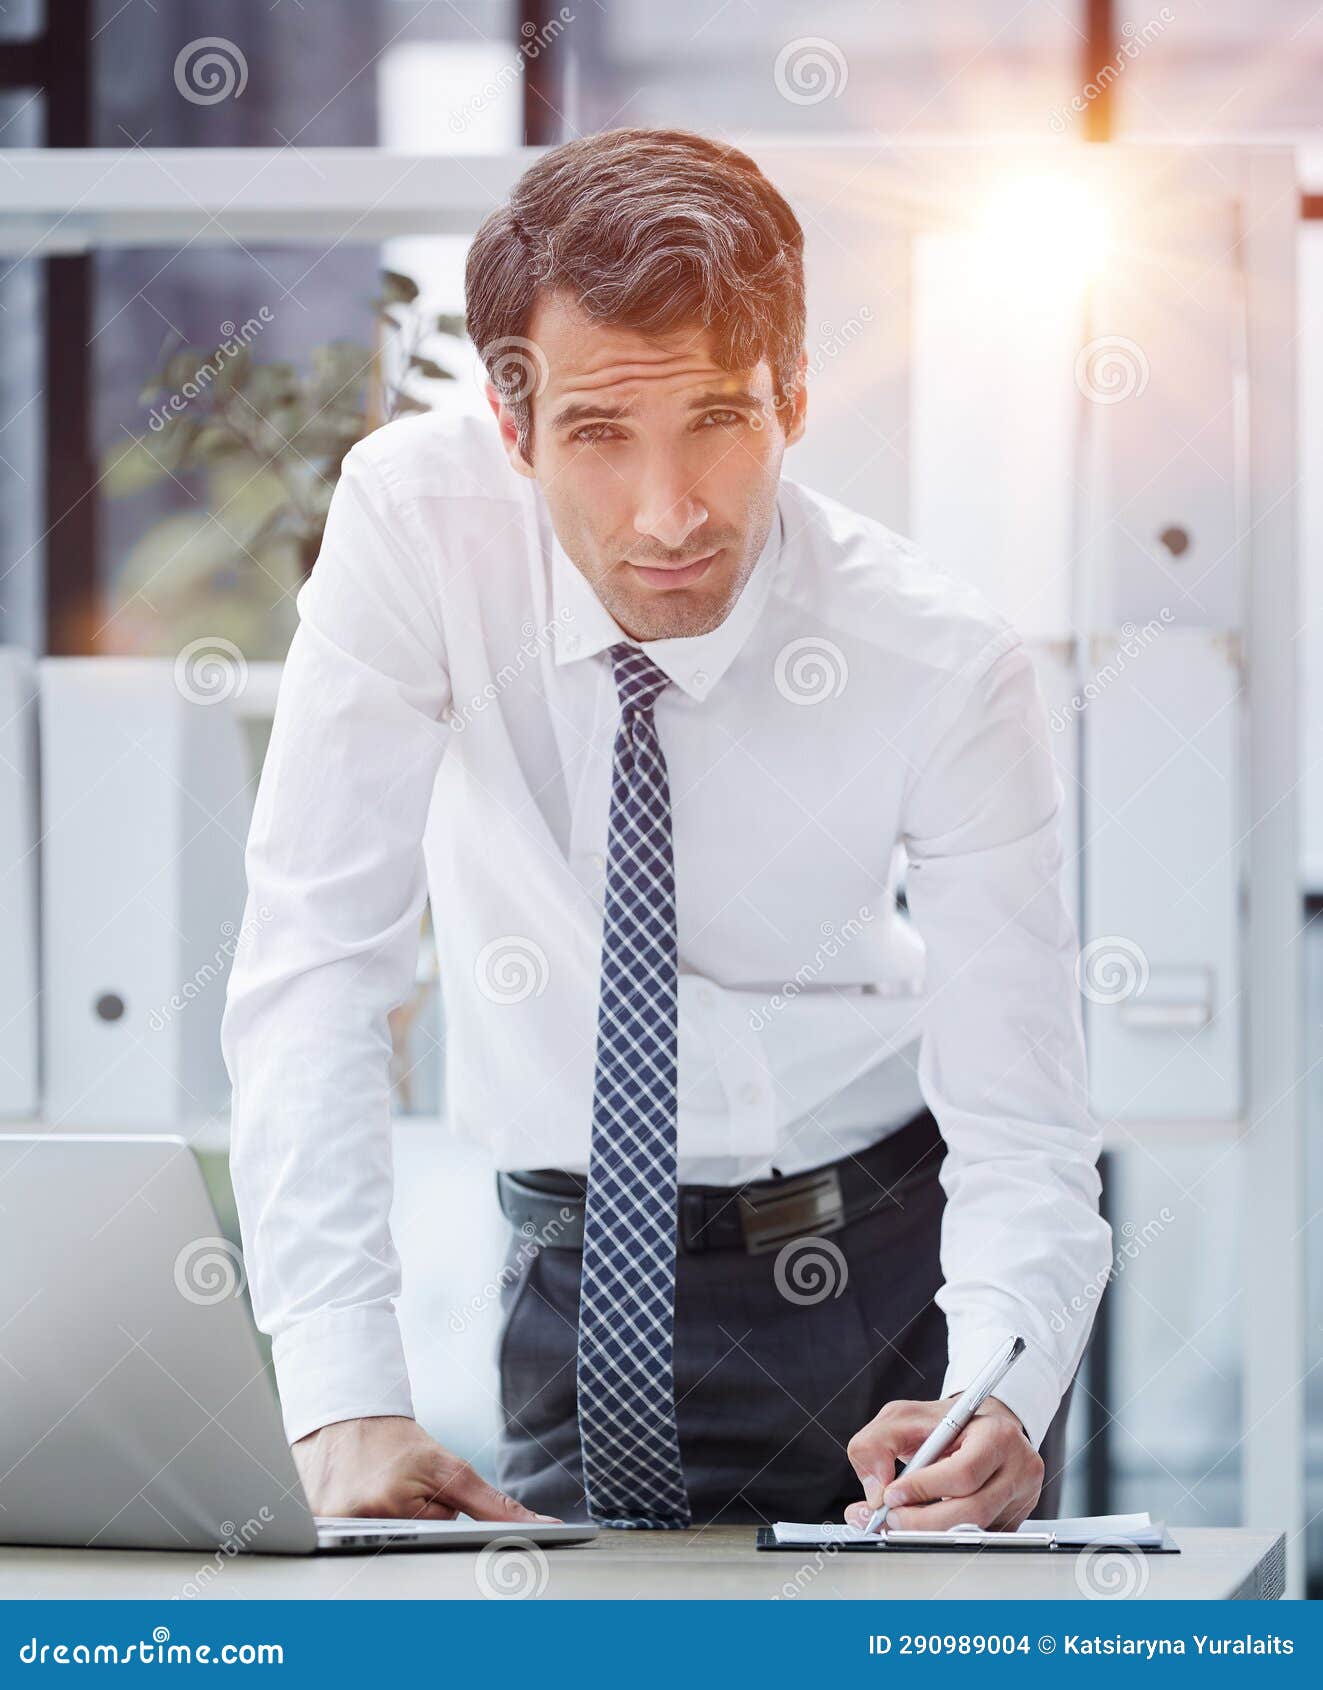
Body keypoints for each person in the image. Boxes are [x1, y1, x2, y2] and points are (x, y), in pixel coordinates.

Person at [222, 126, 1111, 1534]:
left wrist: (1002, 1379)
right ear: (511, 424)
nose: (670, 513)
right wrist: (340, 1396)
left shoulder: (942, 660)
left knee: (910, 1638)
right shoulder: (417, 528)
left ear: (794, 396)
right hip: (571, 1264)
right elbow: (317, 958)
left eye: (718, 419)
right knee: (577, 1637)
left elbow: (1023, 1099)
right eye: (597, 433)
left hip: (880, 1263)